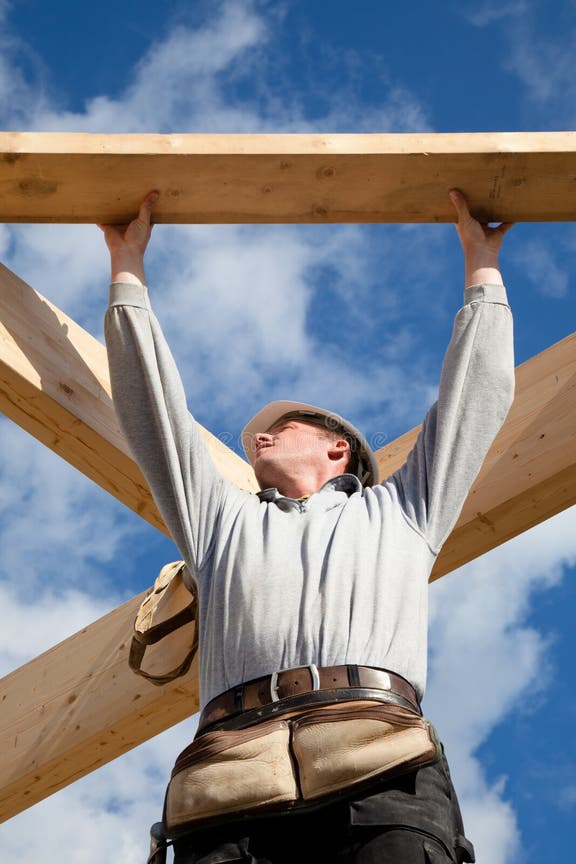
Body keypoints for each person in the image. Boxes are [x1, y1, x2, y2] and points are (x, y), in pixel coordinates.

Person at [100, 189, 515, 863]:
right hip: (231, 782)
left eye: (282, 428)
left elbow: (476, 399)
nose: (259, 435)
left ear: (338, 449)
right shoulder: (221, 523)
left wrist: (482, 268)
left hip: (378, 762)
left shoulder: (403, 511)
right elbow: (154, 416)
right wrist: (126, 268)